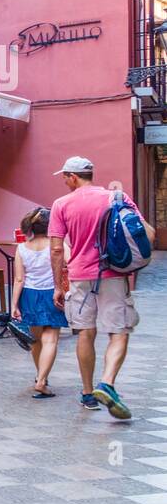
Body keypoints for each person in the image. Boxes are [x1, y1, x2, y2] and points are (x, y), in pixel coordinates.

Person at [49, 156, 153, 419]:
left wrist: (58, 285)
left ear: (73, 177)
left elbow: (56, 250)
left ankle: (87, 393)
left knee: (85, 332)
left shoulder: (61, 204)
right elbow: (148, 234)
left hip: (79, 277)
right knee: (119, 331)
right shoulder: (116, 198)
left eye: (65, 177)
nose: (64, 182)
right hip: (113, 274)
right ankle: (106, 383)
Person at [11, 206, 67, 399]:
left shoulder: (21, 248)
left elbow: (19, 279)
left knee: (35, 341)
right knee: (50, 339)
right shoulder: (57, 245)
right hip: (52, 293)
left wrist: (14, 305)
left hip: (29, 295)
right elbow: (69, 263)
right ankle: (42, 380)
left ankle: (40, 376)